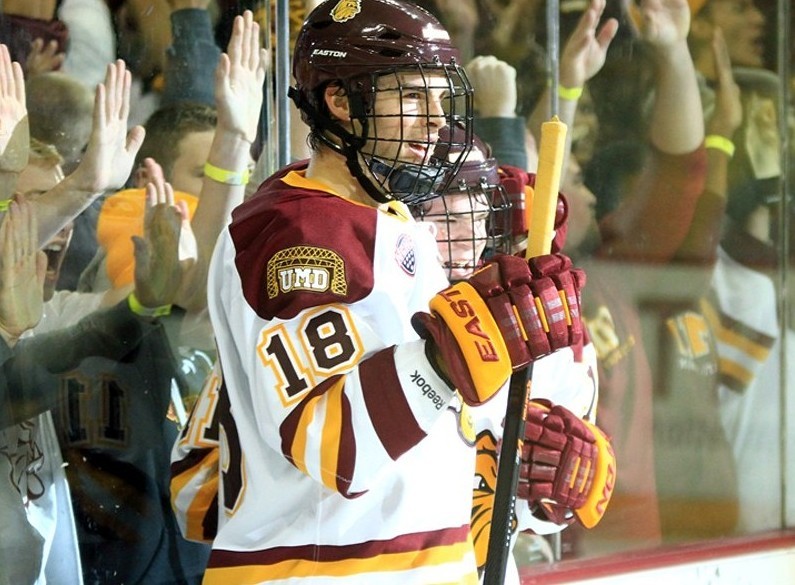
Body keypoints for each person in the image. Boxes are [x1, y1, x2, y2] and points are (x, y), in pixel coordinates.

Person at [173, 1, 615, 583]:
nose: (436, 121)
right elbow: (333, 445)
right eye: (411, 98)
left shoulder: (389, 220)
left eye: (439, 99)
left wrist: (522, 461)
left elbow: (431, 429)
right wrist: (452, 351)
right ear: (339, 102)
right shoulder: (300, 236)